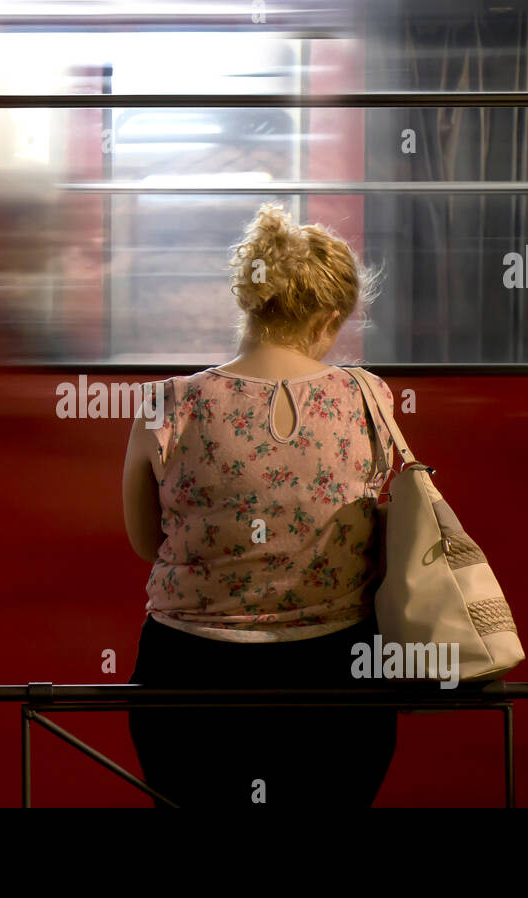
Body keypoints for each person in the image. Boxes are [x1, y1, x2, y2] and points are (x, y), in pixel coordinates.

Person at [120, 202, 398, 808]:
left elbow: (146, 542)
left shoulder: (165, 404)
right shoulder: (368, 397)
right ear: (328, 318)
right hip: (336, 679)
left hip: (187, 678)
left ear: (247, 301)